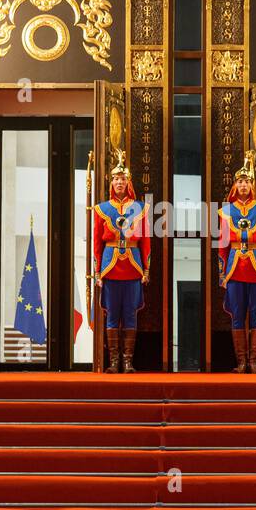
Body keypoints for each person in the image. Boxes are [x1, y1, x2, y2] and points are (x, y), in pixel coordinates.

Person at [91, 151, 150, 373]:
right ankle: (114, 362)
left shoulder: (141, 208)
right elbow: (96, 243)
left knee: (130, 314)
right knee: (112, 315)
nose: (119, 183)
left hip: (133, 267)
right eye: (116, 179)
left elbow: (145, 241)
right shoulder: (101, 209)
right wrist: (97, 272)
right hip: (110, 266)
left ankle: (128, 361)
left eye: (123, 179)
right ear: (111, 182)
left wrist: (146, 268)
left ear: (128, 183)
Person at [216, 154, 256, 373]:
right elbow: (222, 246)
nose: (243, 185)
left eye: (247, 181)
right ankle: (241, 361)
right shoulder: (226, 212)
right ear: (235, 185)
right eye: (240, 182)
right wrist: (222, 274)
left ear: (252, 185)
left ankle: (255, 360)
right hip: (234, 269)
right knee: (237, 313)